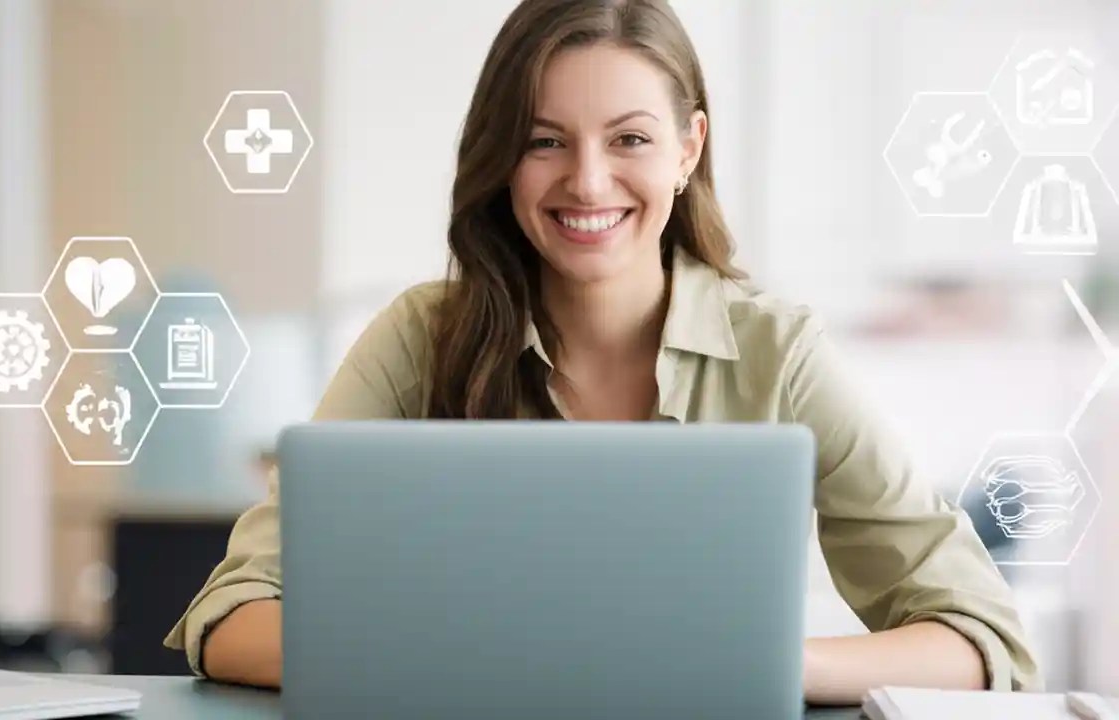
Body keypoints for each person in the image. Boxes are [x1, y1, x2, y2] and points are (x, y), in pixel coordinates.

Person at [164, 0, 1041, 704]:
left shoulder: (779, 353)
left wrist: (759, 663)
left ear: (689, 147)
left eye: (629, 138)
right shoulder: (418, 335)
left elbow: (980, 640)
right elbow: (232, 615)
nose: (586, 180)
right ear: (502, 157)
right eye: (545, 140)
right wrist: (465, 660)